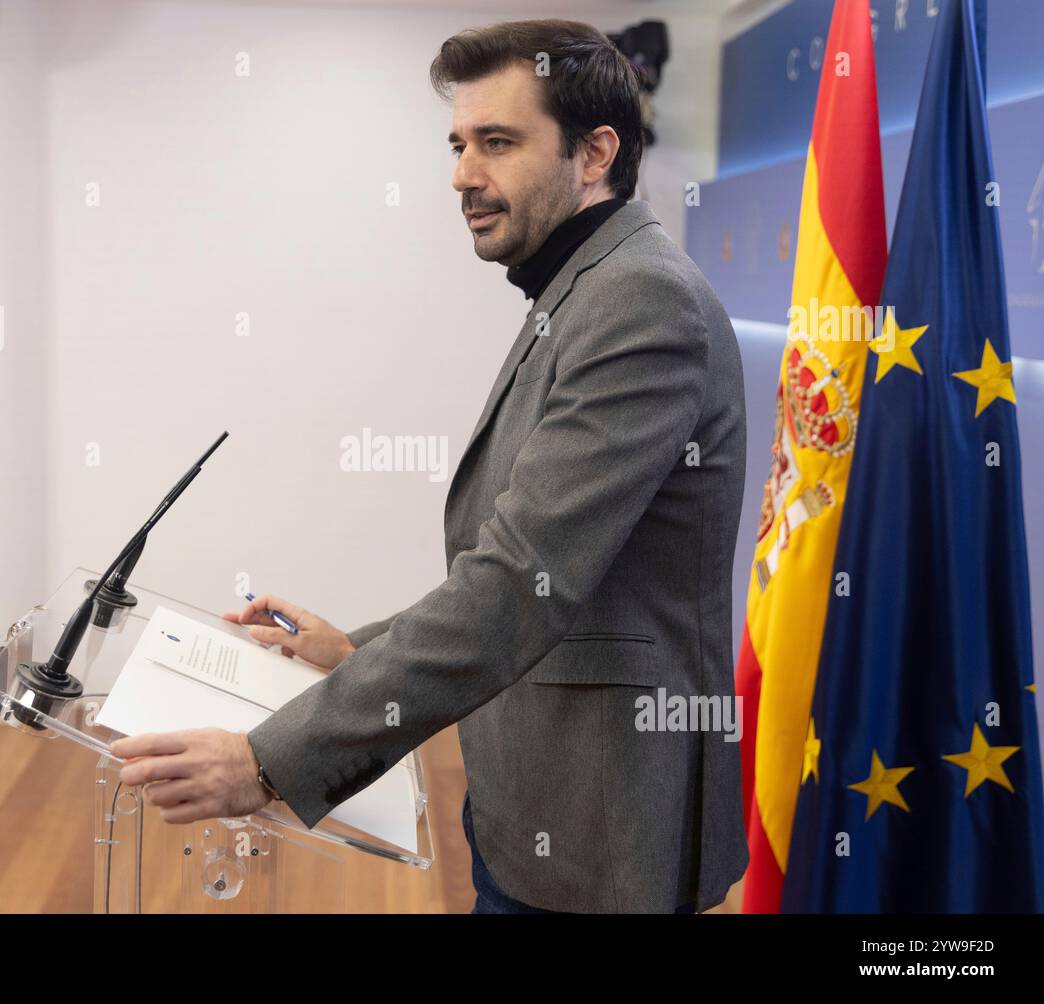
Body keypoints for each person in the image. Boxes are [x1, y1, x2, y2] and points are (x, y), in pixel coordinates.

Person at [112, 18, 748, 914]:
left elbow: (514, 584)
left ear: (596, 152)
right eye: (458, 144)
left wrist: (265, 762)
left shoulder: (640, 304)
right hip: (534, 804)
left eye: (497, 142)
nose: (461, 174)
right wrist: (349, 651)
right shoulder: (582, 289)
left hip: (606, 833)